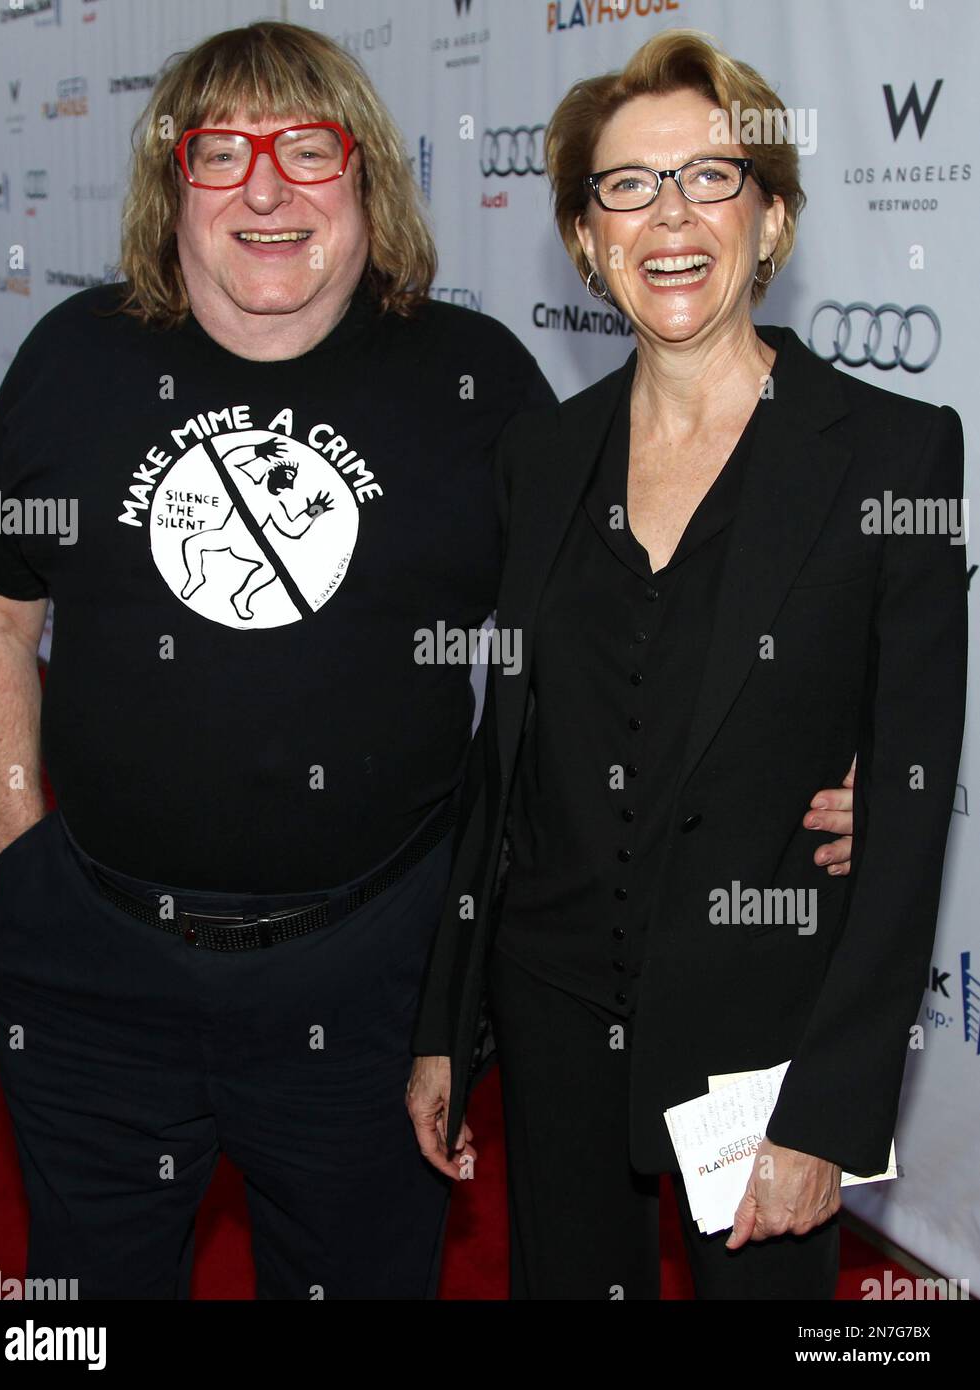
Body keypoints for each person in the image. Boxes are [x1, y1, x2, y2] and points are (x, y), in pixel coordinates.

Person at [0, 20, 561, 1300]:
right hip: (91, 969)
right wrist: (18, 855)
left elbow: (581, 659)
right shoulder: (74, 359)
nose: (267, 188)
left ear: (366, 180)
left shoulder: (475, 383)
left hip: (374, 981)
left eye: (307, 148)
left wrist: (789, 763)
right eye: (219, 153)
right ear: (171, 185)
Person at [407, 29, 966, 1301]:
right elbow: (500, 766)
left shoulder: (894, 456)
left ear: (768, 220)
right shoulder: (539, 457)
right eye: (627, 186)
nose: (669, 216)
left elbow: (909, 811)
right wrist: (445, 1025)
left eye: (711, 179)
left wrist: (833, 1107)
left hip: (761, 1035)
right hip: (548, 1003)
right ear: (586, 236)